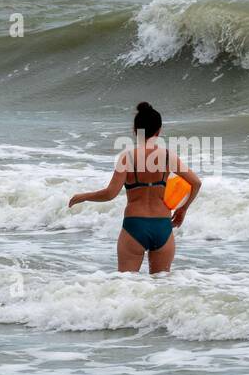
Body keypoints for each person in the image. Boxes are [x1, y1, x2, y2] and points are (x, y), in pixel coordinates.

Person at [68, 102, 202, 274]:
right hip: (162, 226)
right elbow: (196, 183)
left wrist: (84, 196)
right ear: (159, 130)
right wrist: (183, 209)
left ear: (135, 130)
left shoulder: (127, 157)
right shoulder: (168, 156)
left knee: (126, 287)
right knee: (161, 288)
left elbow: (110, 193)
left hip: (134, 226)